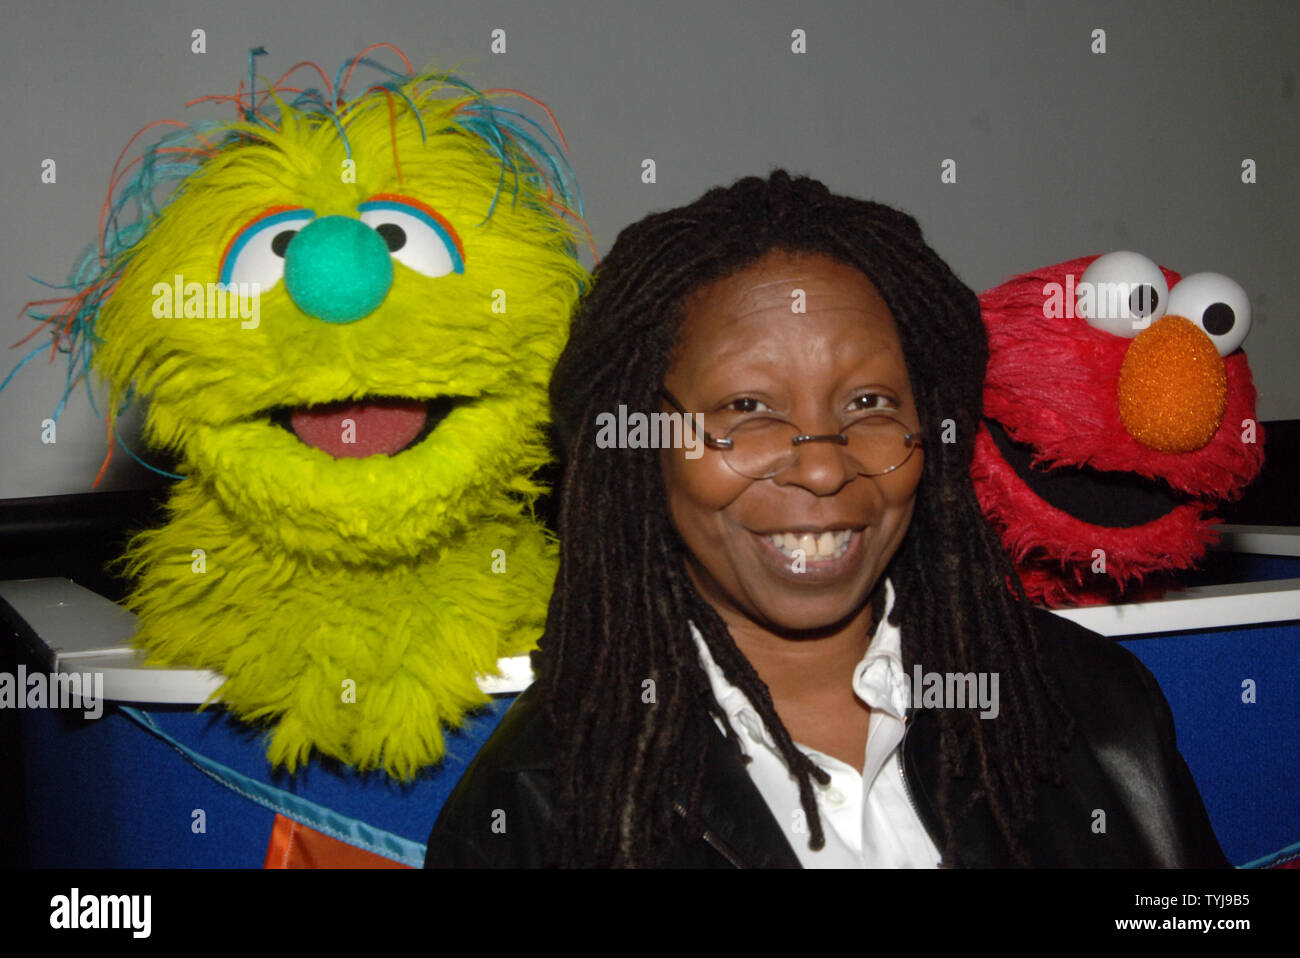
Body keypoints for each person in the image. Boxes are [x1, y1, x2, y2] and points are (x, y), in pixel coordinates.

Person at [424, 171, 1229, 868]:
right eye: (747, 408)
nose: (821, 467)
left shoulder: (1088, 705)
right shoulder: (532, 808)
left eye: (870, 402)